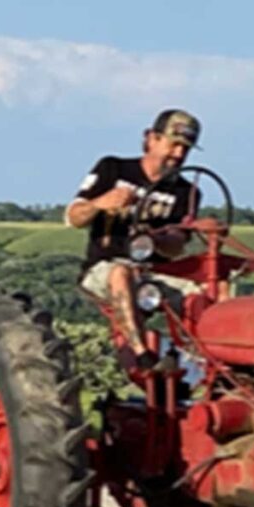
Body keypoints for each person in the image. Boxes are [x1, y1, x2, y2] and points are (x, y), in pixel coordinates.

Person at [65, 109, 202, 372]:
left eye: (186, 149)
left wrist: (155, 239)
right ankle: (142, 357)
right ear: (151, 139)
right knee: (121, 273)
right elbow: (74, 217)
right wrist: (101, 203)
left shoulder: (188, 192)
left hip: (154, 274)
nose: (178, 155)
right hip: (104, 268)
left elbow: (176, 246)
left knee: (204, 291)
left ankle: (201, 362)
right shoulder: (112, 169)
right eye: (173, 145)